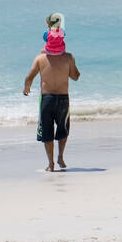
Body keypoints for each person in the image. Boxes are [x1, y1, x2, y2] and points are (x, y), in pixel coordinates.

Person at [24, 28, 81, 171]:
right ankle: (60, 157)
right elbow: (75, 76)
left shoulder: (40, 58)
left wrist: (27, 88)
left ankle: (51, 164)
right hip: (63, 99)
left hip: (46, 99)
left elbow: (29, 77)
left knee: (47, 132)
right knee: (63, 129)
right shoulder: (68, 57)